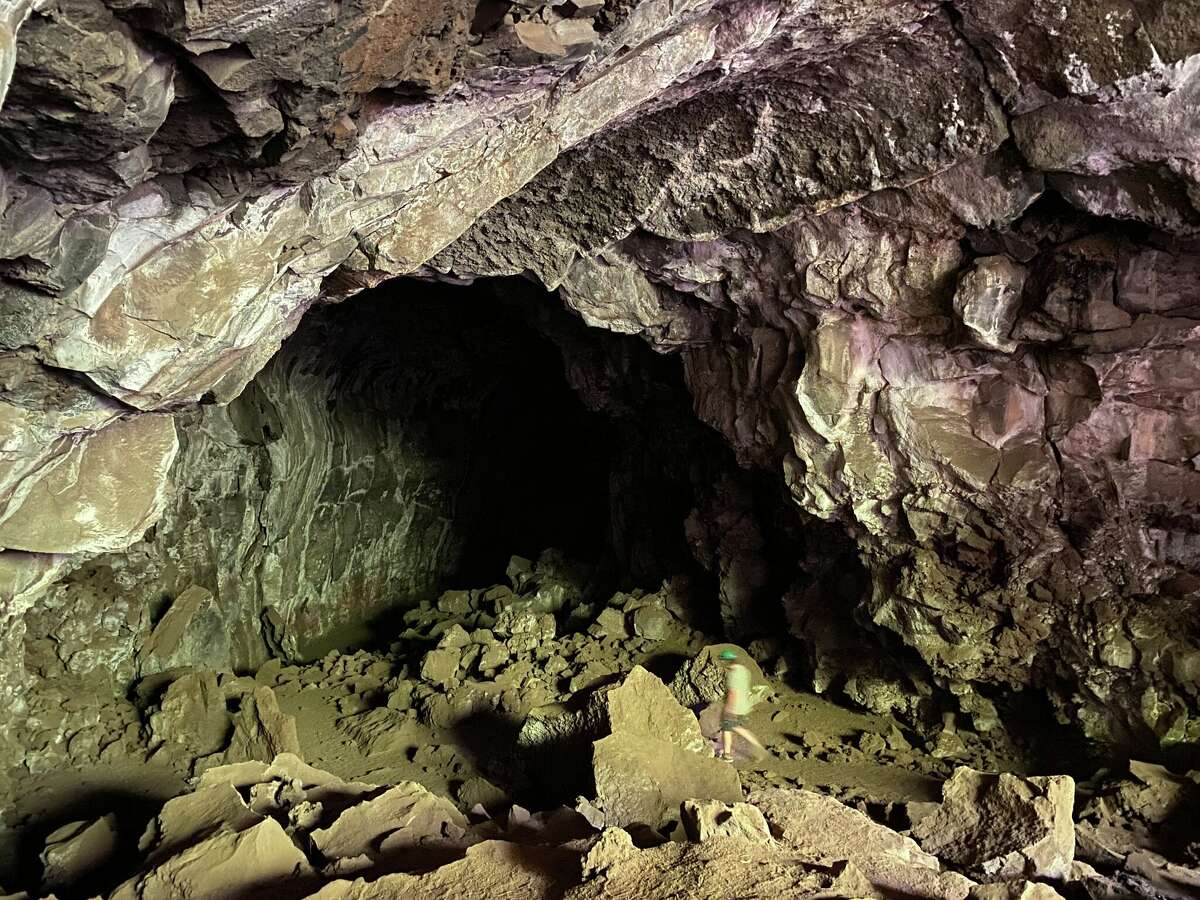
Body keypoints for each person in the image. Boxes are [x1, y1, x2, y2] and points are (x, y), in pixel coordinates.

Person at [717, 648, 764, 761]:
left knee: (726, 729)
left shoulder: (732, 674)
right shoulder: (744, 671)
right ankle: (757, 746)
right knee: (738, 728)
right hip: (744, 706)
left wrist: (728, 708)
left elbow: (733, 693)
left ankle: (727, 755)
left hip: (734, 707)